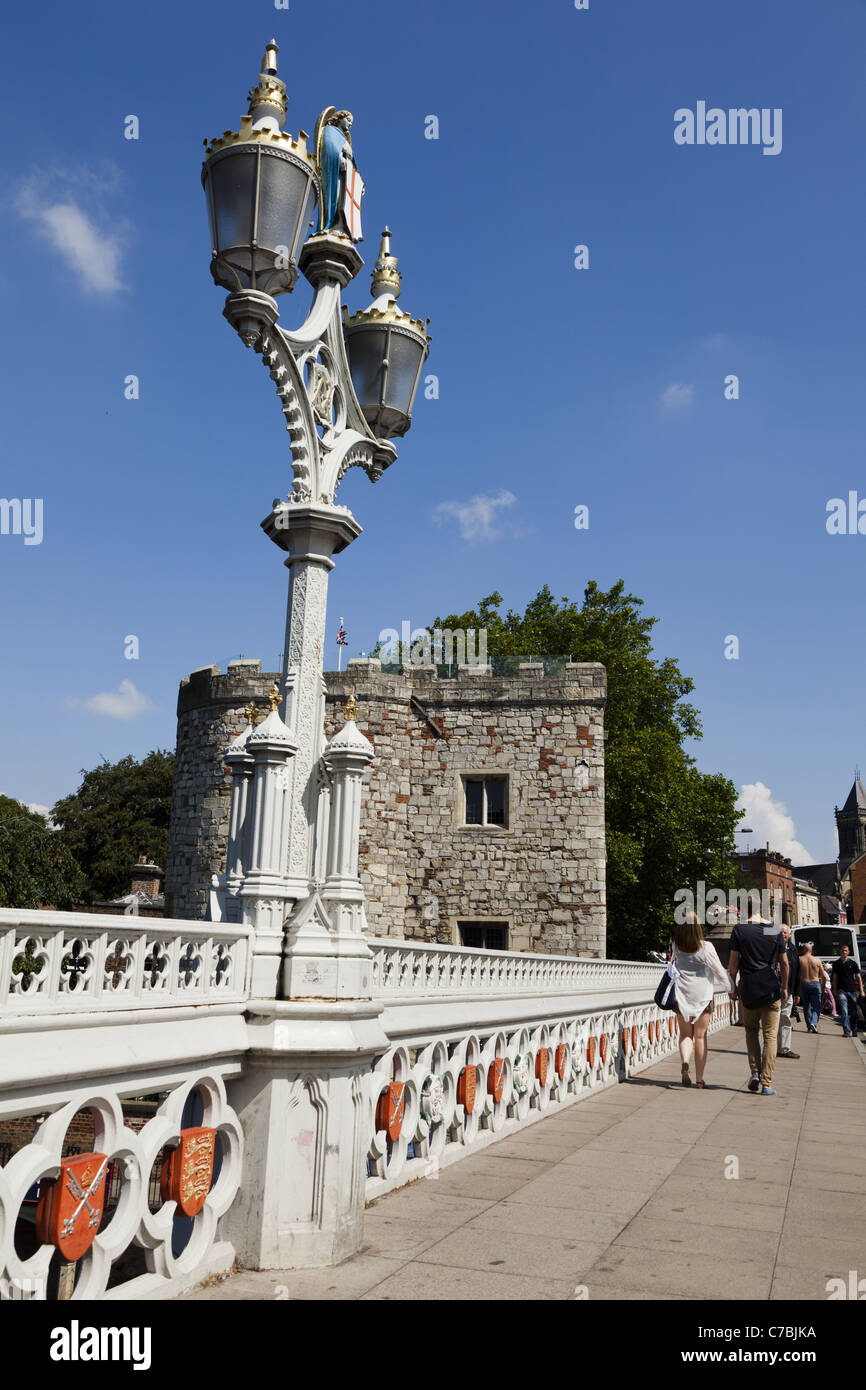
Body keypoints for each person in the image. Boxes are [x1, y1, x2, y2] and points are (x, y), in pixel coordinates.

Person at [671, 911, 735, 1089]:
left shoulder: (677, 946)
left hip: (682, 994)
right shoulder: (706, 947)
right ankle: (699, 1079)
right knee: (700, 1036)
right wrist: (732, 989)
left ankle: (685, 1063)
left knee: (685, 1035)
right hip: (703, 996)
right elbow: (720, 972)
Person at [728, 909, 789, 1095]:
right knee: (770, 1036)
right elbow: (785, 963)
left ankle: (755, 1073)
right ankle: (766, 1083)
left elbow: (733, 963)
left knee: (751, 1031)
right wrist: (785, 987)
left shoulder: (740, 929)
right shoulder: (773, 929)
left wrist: (733, 987)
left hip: (749, 988)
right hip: (771, 987)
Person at [776, 923, 801, 1059]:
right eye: (780, 932)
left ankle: (784, 1049)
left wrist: (797, 992)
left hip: (789, 990)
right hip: (774, 989)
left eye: (785, 932)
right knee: (773, 1020)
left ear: (789, 935)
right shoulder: (773, 948)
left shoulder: (793, 950)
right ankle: (771, 1049)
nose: (783, 934)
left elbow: (797, 972)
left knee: (785, 1019)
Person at [831, 944, 865, 1038]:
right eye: (842, 951)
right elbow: (834, 977)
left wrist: (861, 991)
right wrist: (834, 989)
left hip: (852, 991)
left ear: (848, 952)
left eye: (846, 951)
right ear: (840, 952)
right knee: (844, 1011)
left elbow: (859, 977)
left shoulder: (853, 963)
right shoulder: (837, 963)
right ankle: (846, 1031)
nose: (844, 952)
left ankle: (854, 1029)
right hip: (841, 991)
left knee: (854, 1012)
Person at [798, 942, 829, 1033]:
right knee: (816, 1006)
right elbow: (823, 975)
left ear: (804, 950)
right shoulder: (817, 960)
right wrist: (823, 986)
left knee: (806, 1006)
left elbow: (797, 974)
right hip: (815, 984)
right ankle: (813, 1023)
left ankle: (809, 1026)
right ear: (811, 950)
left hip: (804, 983)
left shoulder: (800, 959)